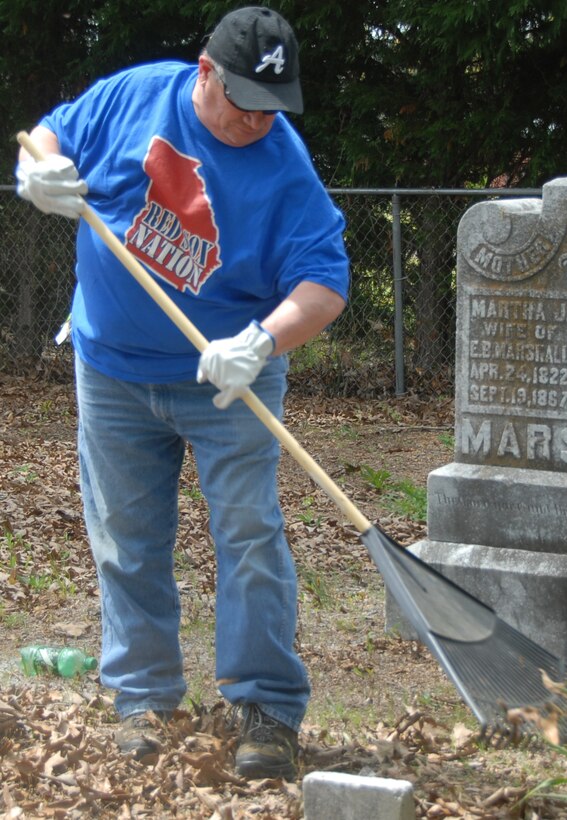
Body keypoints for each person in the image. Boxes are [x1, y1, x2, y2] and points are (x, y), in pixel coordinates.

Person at [15, 7, 349, 781]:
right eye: (243, 103)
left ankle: (265, 706)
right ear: (206, 74)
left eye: (274, 107)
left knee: (250, 537)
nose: (257, 120)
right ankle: (145, 700)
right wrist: (41, 171)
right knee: (126, 540)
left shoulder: (283, 166)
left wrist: (264, 340)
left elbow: (325, 283)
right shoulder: (135, 96)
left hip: (228, 380)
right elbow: (52, 131)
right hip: (112, 370)